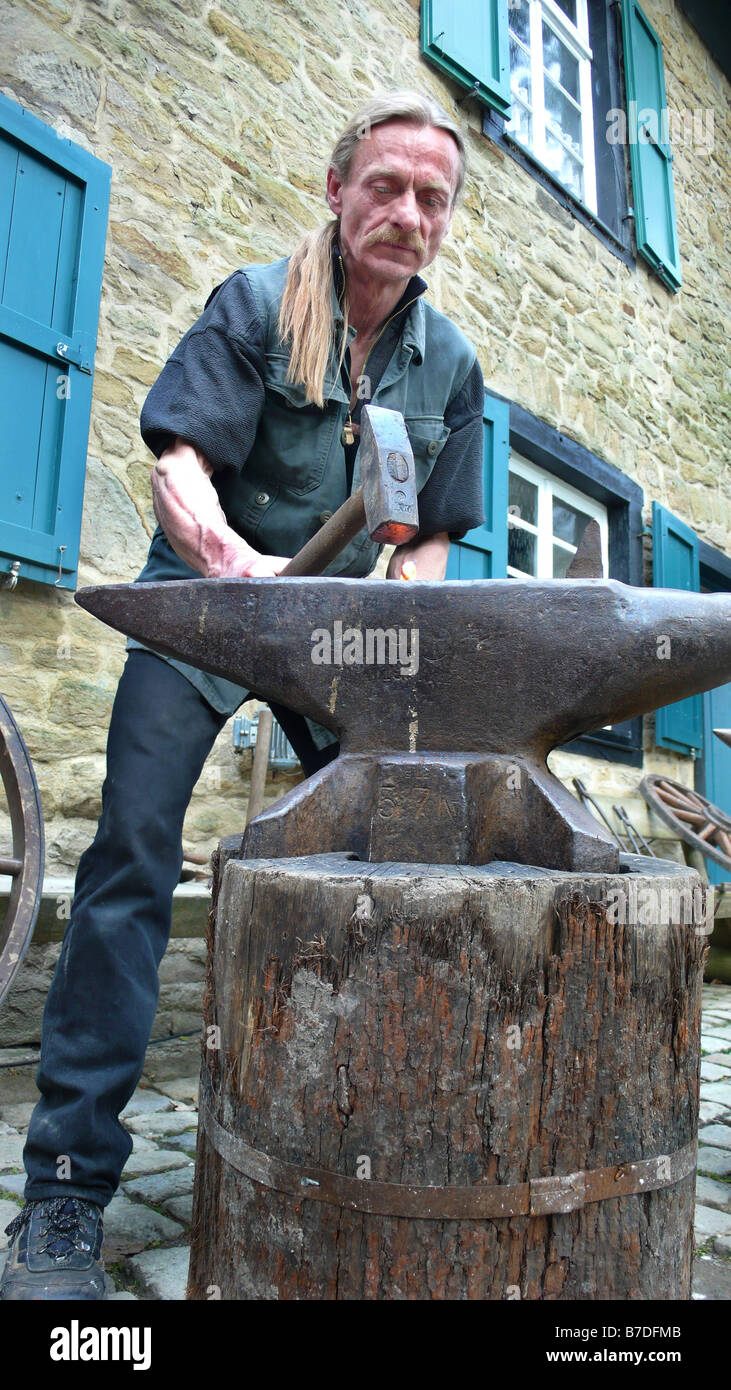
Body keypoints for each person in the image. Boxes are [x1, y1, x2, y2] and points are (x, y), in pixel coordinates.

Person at [1, 89, 486, 1300]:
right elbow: (179, 470)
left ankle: (349, 1140)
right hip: (206, 610)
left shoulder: (453, 366)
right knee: (127, 868)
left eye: (431, 198)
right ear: (337, 189)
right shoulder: (255, 305)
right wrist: (234, 567)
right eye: (385, 184)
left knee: (386, 868)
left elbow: (426, 541)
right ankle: (63, 1195)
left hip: (339, 637)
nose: (406, 213)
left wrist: (395, 608)